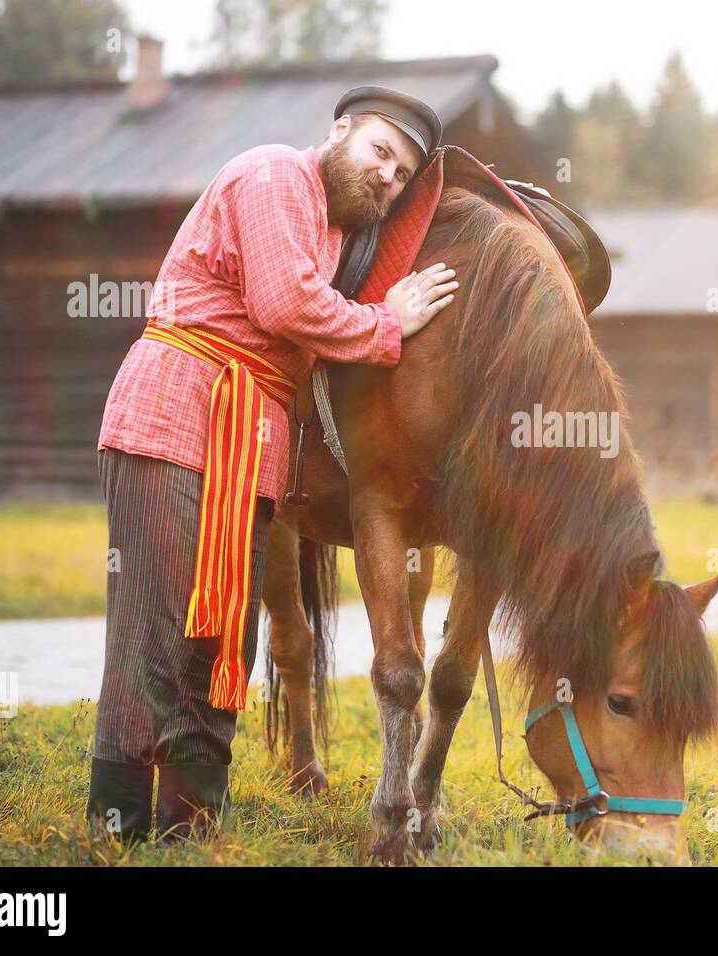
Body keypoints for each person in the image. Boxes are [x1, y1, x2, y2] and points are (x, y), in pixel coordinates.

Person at [85, 86, 457, 843]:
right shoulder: (275, 176)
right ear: (341, 131)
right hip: (175, 412)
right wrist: (389, 323)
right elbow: (287, 304)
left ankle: (189, 819)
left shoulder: (326, 229)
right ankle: (119, 823)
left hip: (245, 441)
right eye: (380, 152)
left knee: (225, 632)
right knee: (158, 627)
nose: (387, 176)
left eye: (400, 174)